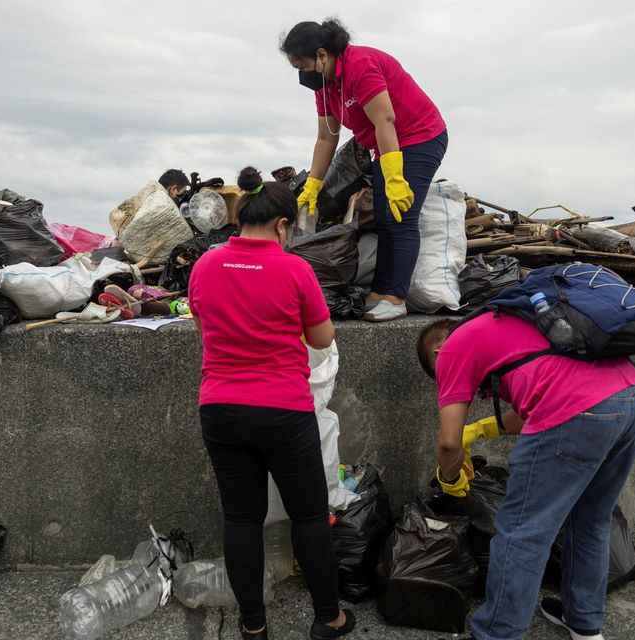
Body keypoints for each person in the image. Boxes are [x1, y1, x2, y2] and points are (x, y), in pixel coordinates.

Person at [187, 167, 356, 640]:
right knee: (308, 515)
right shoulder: (295, 268)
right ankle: (329, 619)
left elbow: (206, 334)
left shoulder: (205, 266)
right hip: (284, 410)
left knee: (242, 518)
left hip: (220, 408)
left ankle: (253, 627)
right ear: (283, 225)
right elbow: (321, 339)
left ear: (240, 219)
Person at [417, 315, 635, 640]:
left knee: (520, 531)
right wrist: (482, 429)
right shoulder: (504, 324)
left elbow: (447, 442)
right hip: (633, 398)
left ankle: (497, 634)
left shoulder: (451, 351)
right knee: (592, 519)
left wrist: (450, 478)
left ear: (439, 354)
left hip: (579, 409)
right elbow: (532, 408)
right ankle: (583, 623)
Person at [281, 19, 448, 322]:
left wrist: (395, 178)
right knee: (384, 218)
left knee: (401, 215)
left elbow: (386, 121)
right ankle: (380, 291)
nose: (301, 74)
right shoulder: (326, 85)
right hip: (387, 145)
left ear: (321, 55)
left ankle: (395, 297)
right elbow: (326, 136)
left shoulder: (361, 65)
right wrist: (314, 183)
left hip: (420, 137)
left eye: (301, 65)